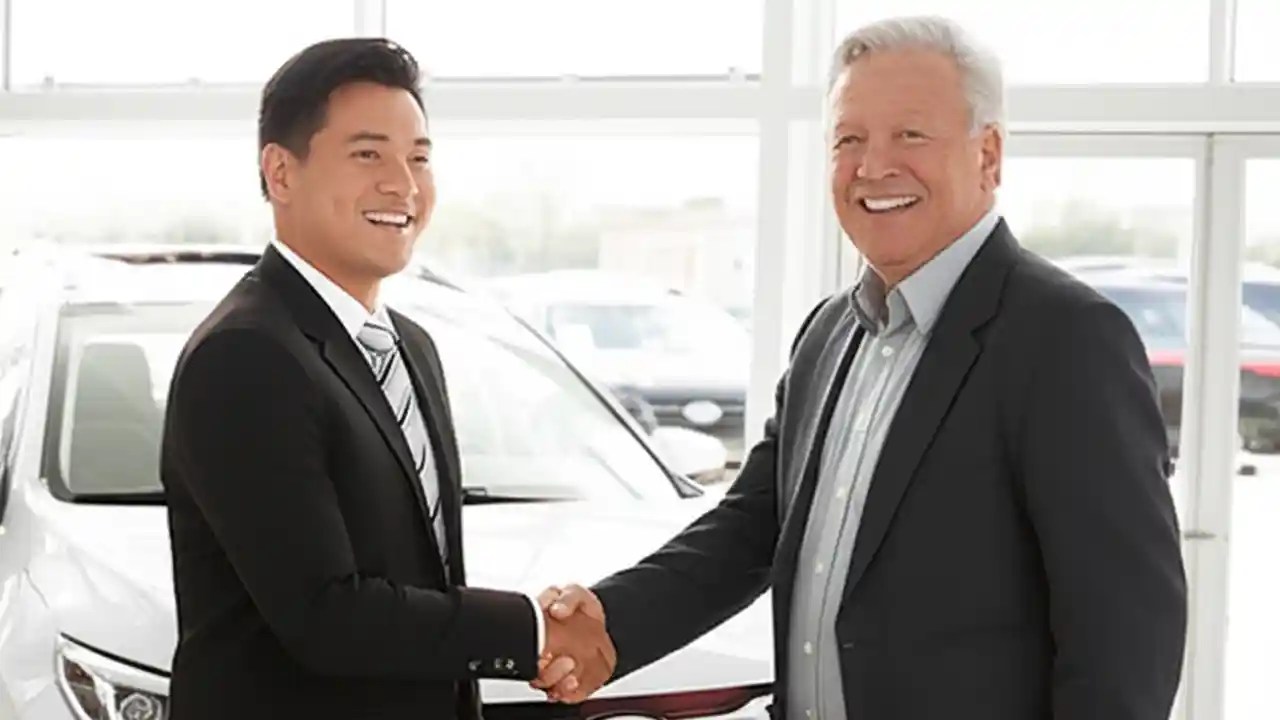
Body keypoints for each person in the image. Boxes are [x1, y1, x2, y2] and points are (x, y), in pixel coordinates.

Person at [533, 15, 1187, 719]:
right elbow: (751, 529)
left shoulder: (1065, 339)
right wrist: (607, 622)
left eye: (911, 135)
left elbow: (1127, 640)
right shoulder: (829, 333)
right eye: (849, 139)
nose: (873, 167)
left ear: (988, 156)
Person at [159, 38, 614, 720]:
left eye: (419, 157)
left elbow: (422, 576)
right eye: (368, 154)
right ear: (280, 173)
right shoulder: (246, 355)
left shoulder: (411, 347)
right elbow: (326, 613)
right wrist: (534, 630)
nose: (403, 184)